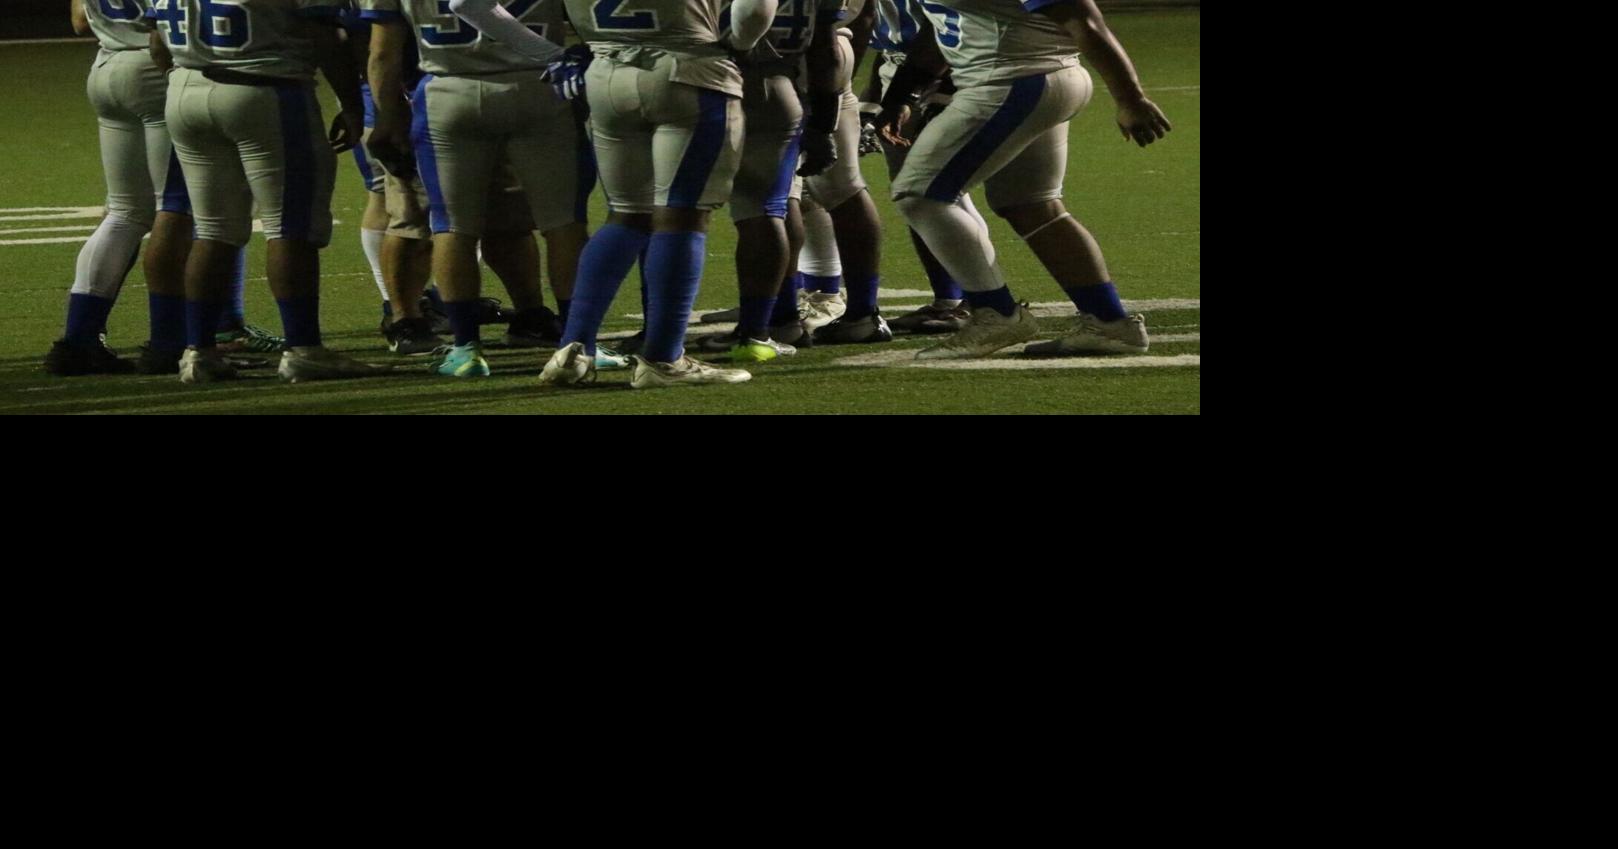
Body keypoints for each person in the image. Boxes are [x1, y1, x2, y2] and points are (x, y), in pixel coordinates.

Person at [876, 0, 1170, 359]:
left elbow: (1084, 20)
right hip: (1026, 77)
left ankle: (995, 312)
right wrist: (901, 94)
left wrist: (1131, 97)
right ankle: (1110, 323)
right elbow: (944, 25)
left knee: (919, 193)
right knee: (1029, 203)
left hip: (1016, 78)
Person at [537, 0, 779, 390]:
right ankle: (663, 358)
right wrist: (739, 44)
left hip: (605, 72)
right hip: (690, 71)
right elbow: (754, 10)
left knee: (625, 214)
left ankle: (573, 349)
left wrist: (552, 52)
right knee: (683, 215)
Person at [148, 0, 385, 382]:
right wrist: (353, 103)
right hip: (266, 90)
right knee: (290, 225)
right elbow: (328, 34)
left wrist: (187, 81)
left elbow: (156, 40)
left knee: (212, 228)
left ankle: (198, 352)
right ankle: (304, 348)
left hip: (184, 87)